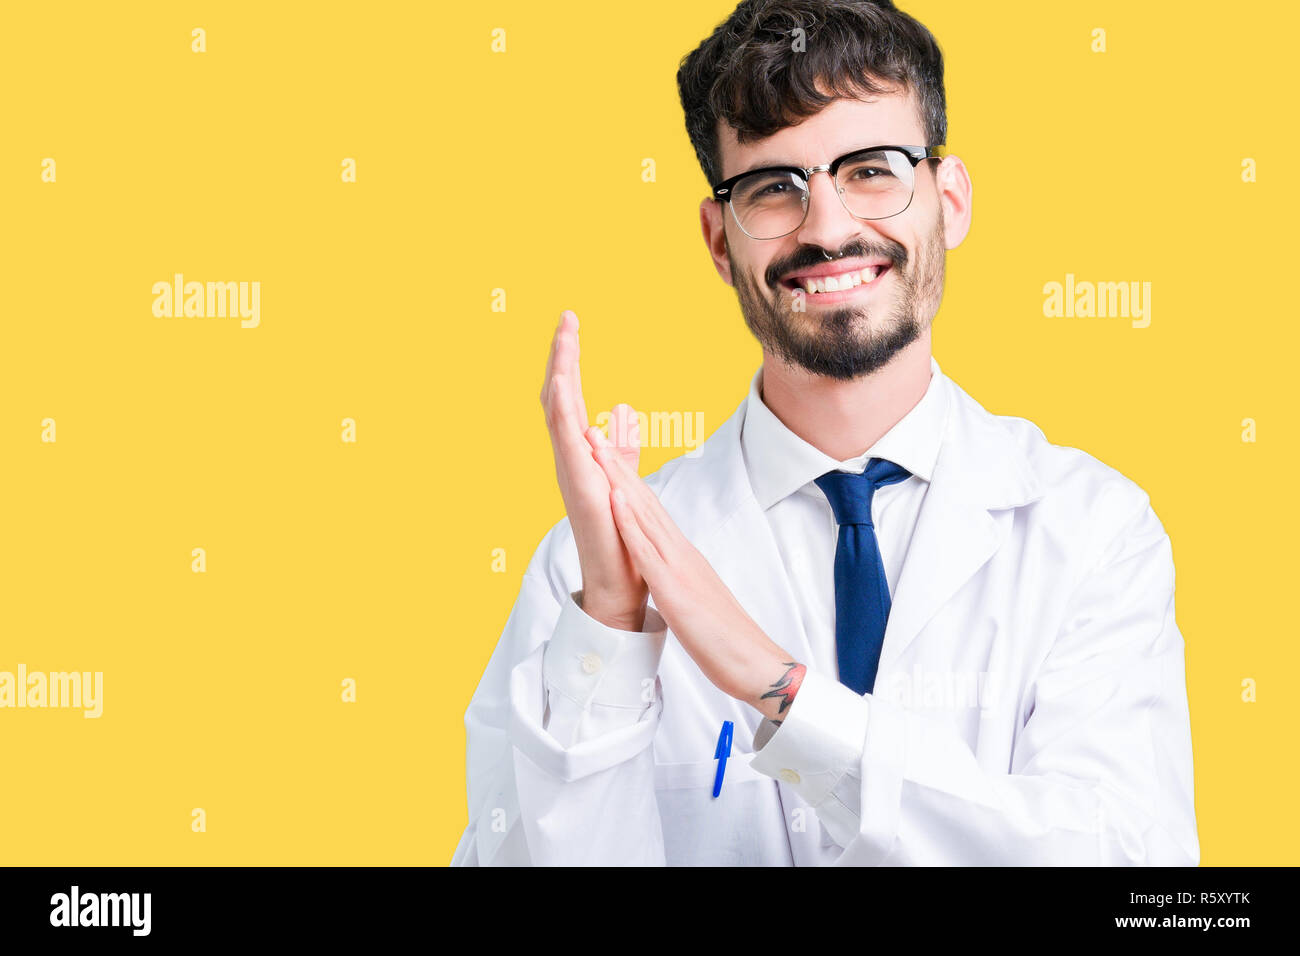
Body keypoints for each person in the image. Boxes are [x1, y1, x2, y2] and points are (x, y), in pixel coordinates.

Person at [451, 0, 1199, 866]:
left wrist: (783, 691)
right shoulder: (587, 574)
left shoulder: (1092, 533)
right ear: (719, 241)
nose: (829, 228)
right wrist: (616, 637)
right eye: (774, 186)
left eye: (872, 170)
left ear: (949, 201)